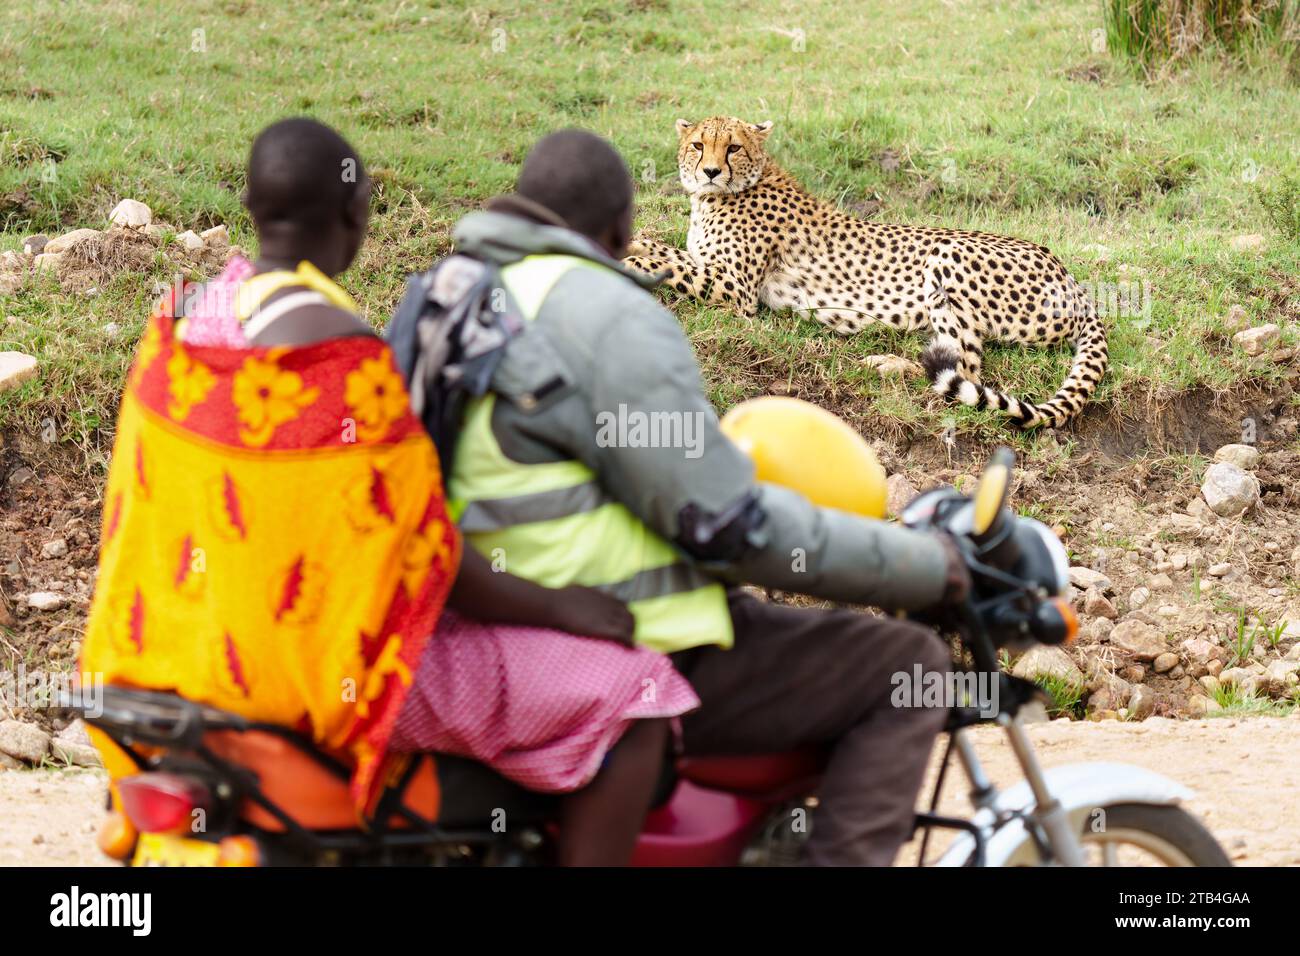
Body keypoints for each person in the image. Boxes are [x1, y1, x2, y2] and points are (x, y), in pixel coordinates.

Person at [81, 118, 697, 866]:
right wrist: (564, 607)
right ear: (357, 214)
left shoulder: (179, 325)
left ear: (248, 203)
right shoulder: (343, 355)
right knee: (635, 694)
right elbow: (423, 548)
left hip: (172, 659)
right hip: (320, 678)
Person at [389, 129, 970, 866]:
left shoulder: (437, 296)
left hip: (471, 627)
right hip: (619, 631)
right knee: (903, 667)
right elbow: (725, 522)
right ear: (624, 231)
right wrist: (922, 565)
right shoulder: (607, 314)